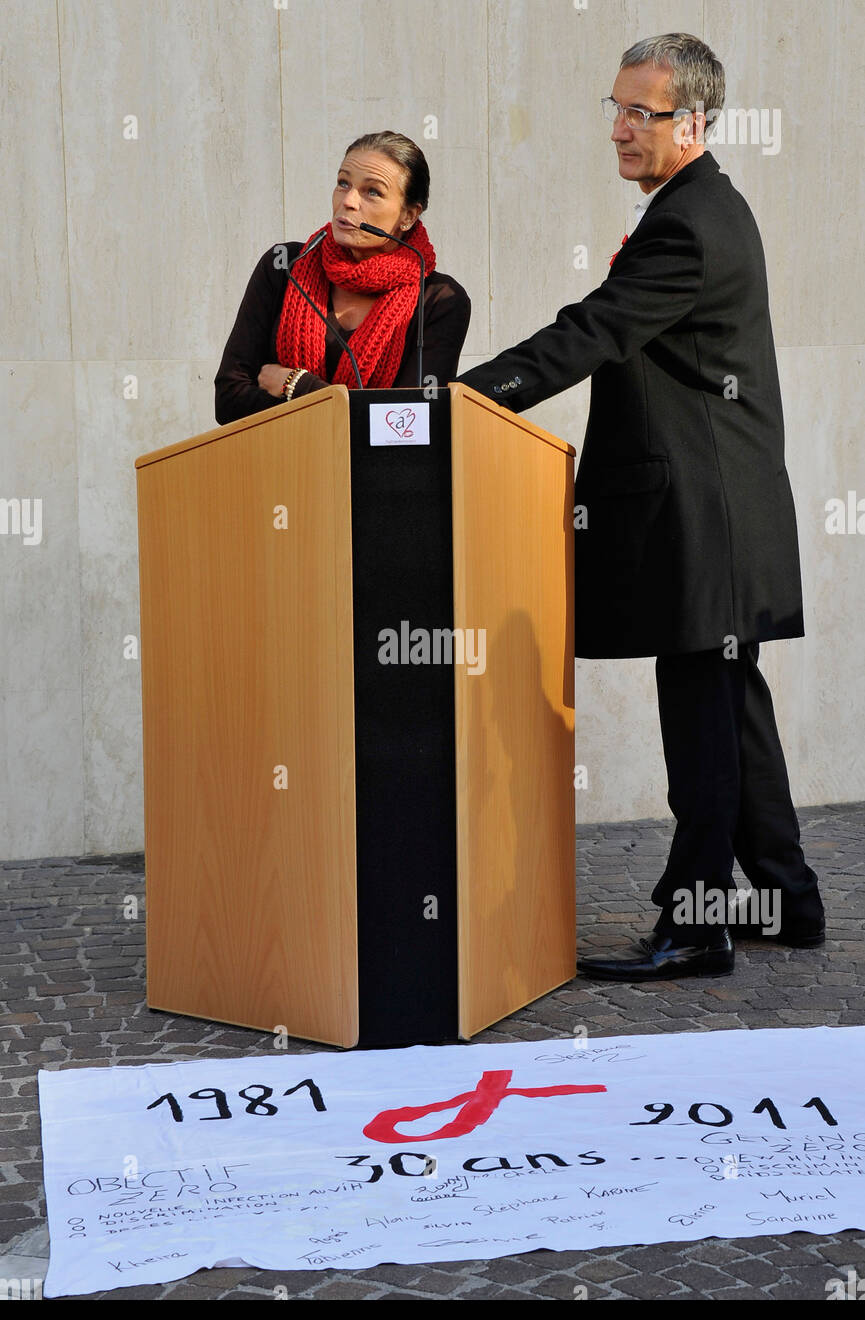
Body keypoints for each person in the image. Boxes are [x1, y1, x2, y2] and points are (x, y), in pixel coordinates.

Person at [457, 33, 824, 981]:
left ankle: (696, 925)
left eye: (640, 114)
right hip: (723, 514)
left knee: (702, 719)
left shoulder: (687, 222)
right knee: (731, 710)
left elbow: (594, 329)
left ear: (691, 122)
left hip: (702, 522)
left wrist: (466, 397)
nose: (619, 129)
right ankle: (785, 898)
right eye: (614, 109)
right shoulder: (704, 207)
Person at [215, 131, 470, 423]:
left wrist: (299, 387)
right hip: (278, 464)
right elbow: (228, 401)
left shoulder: (440, 300)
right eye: (343, 183)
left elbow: (407, 424)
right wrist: (358, 413)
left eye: (372, 191)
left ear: (408, 216)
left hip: (374, 471)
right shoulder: (284, 268)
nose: (348, 201)